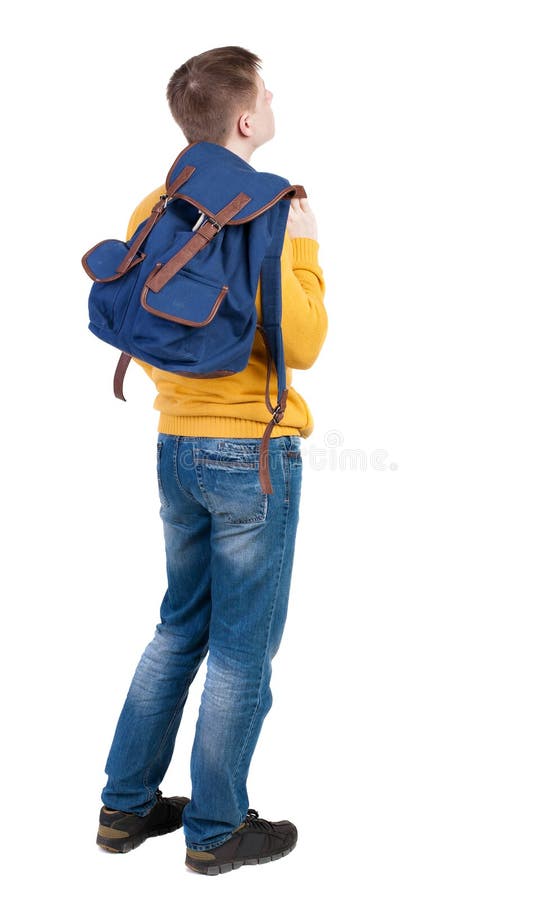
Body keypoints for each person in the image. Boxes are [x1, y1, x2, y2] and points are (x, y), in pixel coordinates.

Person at [96, 46, 327, 876]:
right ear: (243, 118)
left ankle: (124, 809)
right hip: (253, 455)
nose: (272, 102)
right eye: (266, 92)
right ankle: (217, 828)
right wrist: (300, 250)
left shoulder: (156, 202)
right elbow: (303, 341)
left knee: (178, 625)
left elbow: (142, 321)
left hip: (174, 443)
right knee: (241, 647)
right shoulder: (277, 209)